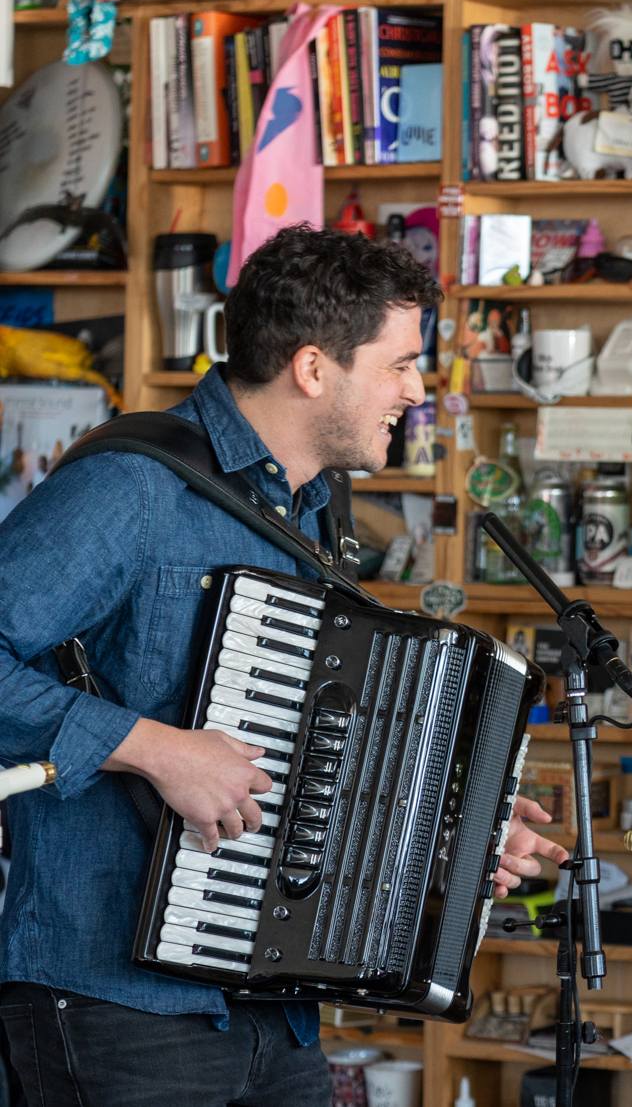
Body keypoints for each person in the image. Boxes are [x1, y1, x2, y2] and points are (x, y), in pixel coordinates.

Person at [0, 225, 568, 1107]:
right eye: (400, 365)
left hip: (274, 1007)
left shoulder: (314, 515)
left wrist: (452, 837)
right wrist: (155, 747)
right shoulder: (132, 488)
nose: (416, 392)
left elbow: (309, 758)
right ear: (313, 367)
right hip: (116, 1002)